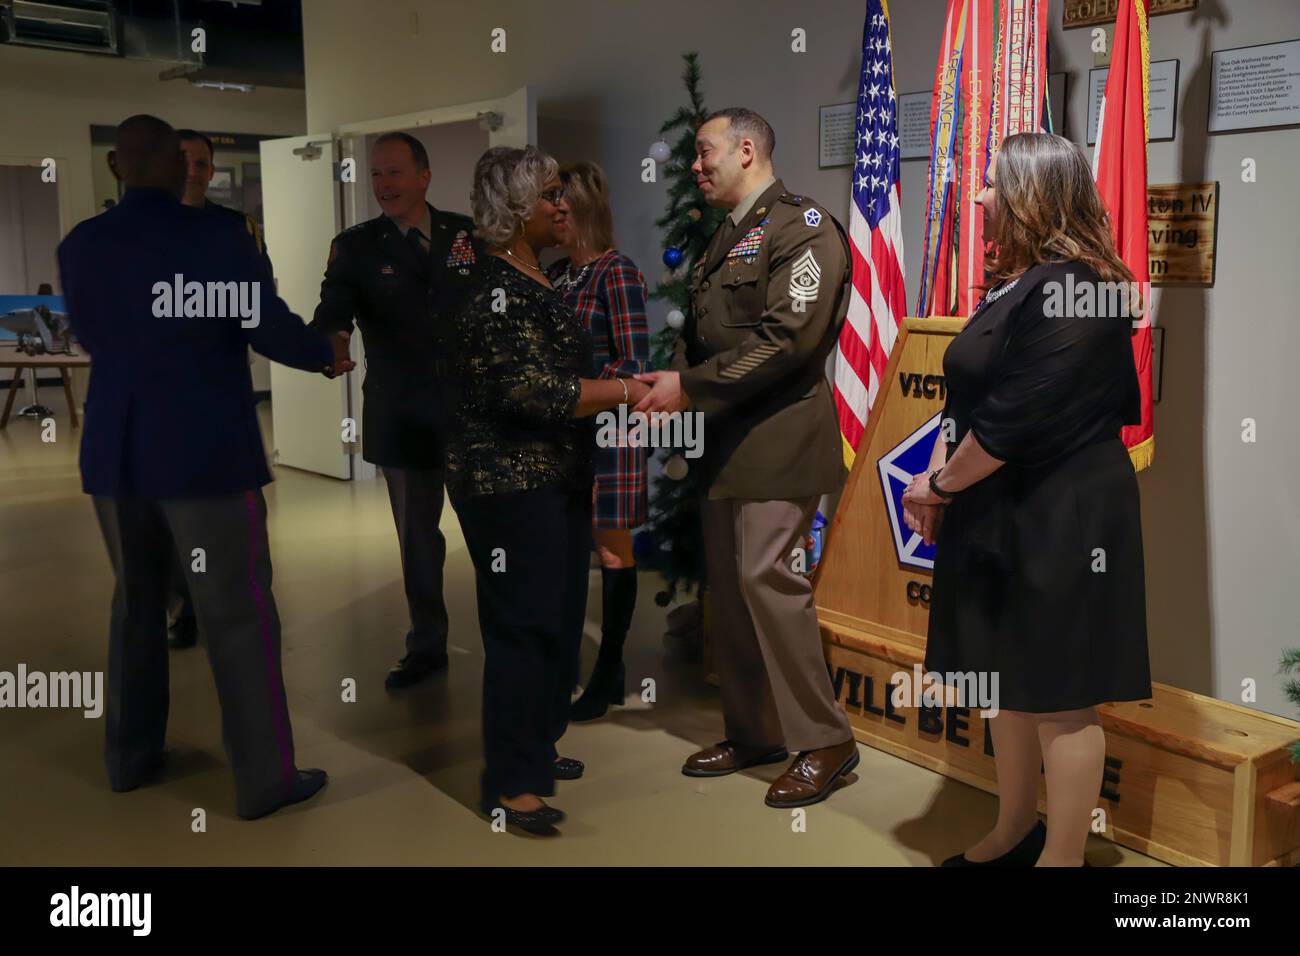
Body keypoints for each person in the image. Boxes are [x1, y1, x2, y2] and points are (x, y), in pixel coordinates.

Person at [57, 114, 352, 819]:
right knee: (237, 614)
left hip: (116, 451)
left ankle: (129, 759)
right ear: (167, 163)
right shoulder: (218, 238)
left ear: (117, 167)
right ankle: (264, 781)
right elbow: (263, 322)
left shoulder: (82, 246)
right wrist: (325, 351)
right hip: (202, 451)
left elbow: (98, 337)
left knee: (135, 605)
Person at [901, 132, 1152, 867]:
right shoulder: (1014, 281)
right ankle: (1015, 828)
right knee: (1007, 682)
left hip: (1063, 513)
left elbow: (1016, 419)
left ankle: (1063, 859)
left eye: (988, 185)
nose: (976, 198)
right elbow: (967, 398)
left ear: (1029, 196)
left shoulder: (1086, 286)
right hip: (996, 504)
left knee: (1060, 696)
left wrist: (940, 486)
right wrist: (942, 467)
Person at [636, 107, 860, 808]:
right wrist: (676, 383)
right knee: (731, 596)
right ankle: (756, 730)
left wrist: (689, 386)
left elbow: (787, 338)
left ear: (745, 149)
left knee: (770, 583)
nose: (695, 167)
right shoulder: (727, 237)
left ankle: (826, 739)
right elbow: (699, 331)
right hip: (725, 442)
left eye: (704, 154)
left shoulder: (803, 229)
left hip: (780, 441)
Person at [448, 145, 650, 833]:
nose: (562, 206)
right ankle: (509, 783)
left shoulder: (537, 274)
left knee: (558, 621)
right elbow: (535, 392)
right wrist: (627, 390)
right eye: (549, 195)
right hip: (508, 485)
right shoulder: (492, 285)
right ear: (515, 208)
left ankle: (534, 748)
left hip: (556, 480)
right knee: (522, 628)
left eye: (561, 193)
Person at [310, 132, 483, 689]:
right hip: (401, 414)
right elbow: (333, 309)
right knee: (417, 539)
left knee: (489, 531)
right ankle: (427, 643)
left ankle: (510, 642)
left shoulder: (466, 234)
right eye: (376, 175)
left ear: (424, 177)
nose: (383, 185)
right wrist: (332, 346)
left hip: (470, 413)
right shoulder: (356, 245)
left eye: (394, 174)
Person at [163, 128, 277, 650]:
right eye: (184, 160)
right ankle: (185, 608)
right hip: (163, 397)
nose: (193, 171)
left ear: (212, 171)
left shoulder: (237, 228)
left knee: (241, 513)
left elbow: (260, 300)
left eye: (203, 163)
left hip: (223, 391)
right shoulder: (143, 229)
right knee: (173, 515)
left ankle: (249, 608)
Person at [547, 161, 650, 721]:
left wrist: (580, 391)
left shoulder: (618, 271)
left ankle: (609, 667)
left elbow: (636, 368)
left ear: (588, 209)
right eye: (551, 207)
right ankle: (576, 666)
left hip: (610, 429)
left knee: (612, 549)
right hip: (562, 435)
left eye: (564, 206)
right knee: (570, 551)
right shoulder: (557, 273)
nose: (555, 216)